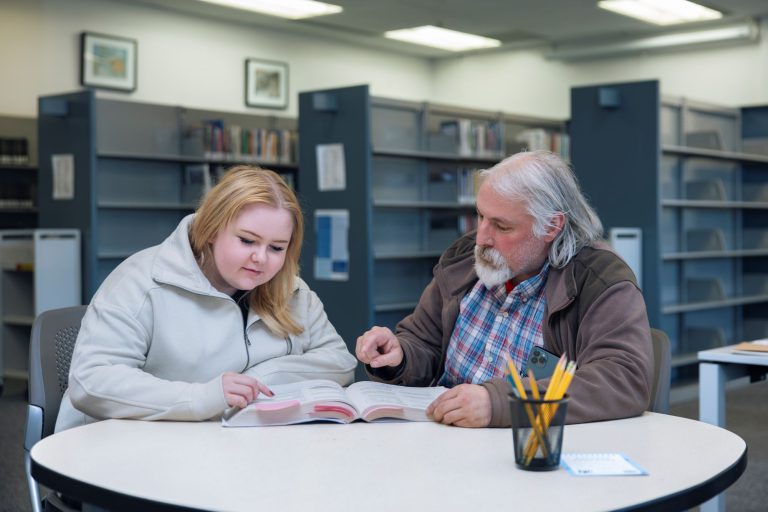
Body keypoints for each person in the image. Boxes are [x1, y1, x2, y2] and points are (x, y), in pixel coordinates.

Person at [356, 150, 653, 428]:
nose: (481, 238)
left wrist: (500, 403)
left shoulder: (598, 279)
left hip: (528, 447)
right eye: (481, 216)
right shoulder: (463, 260)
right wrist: (401, 355)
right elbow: (424, 341)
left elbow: (624, 379)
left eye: (502, 226)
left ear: (551, 227)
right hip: (443, 438)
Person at [56, 166, 356, 432]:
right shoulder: (141, 282)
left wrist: (262, 377)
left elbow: (340, 363)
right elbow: (91, 382)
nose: (261, 258)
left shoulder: (292, 290)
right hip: (121, 450)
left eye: (276, 248)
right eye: (247, 240)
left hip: (230, 446)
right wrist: (201, 397)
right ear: (211, 229)